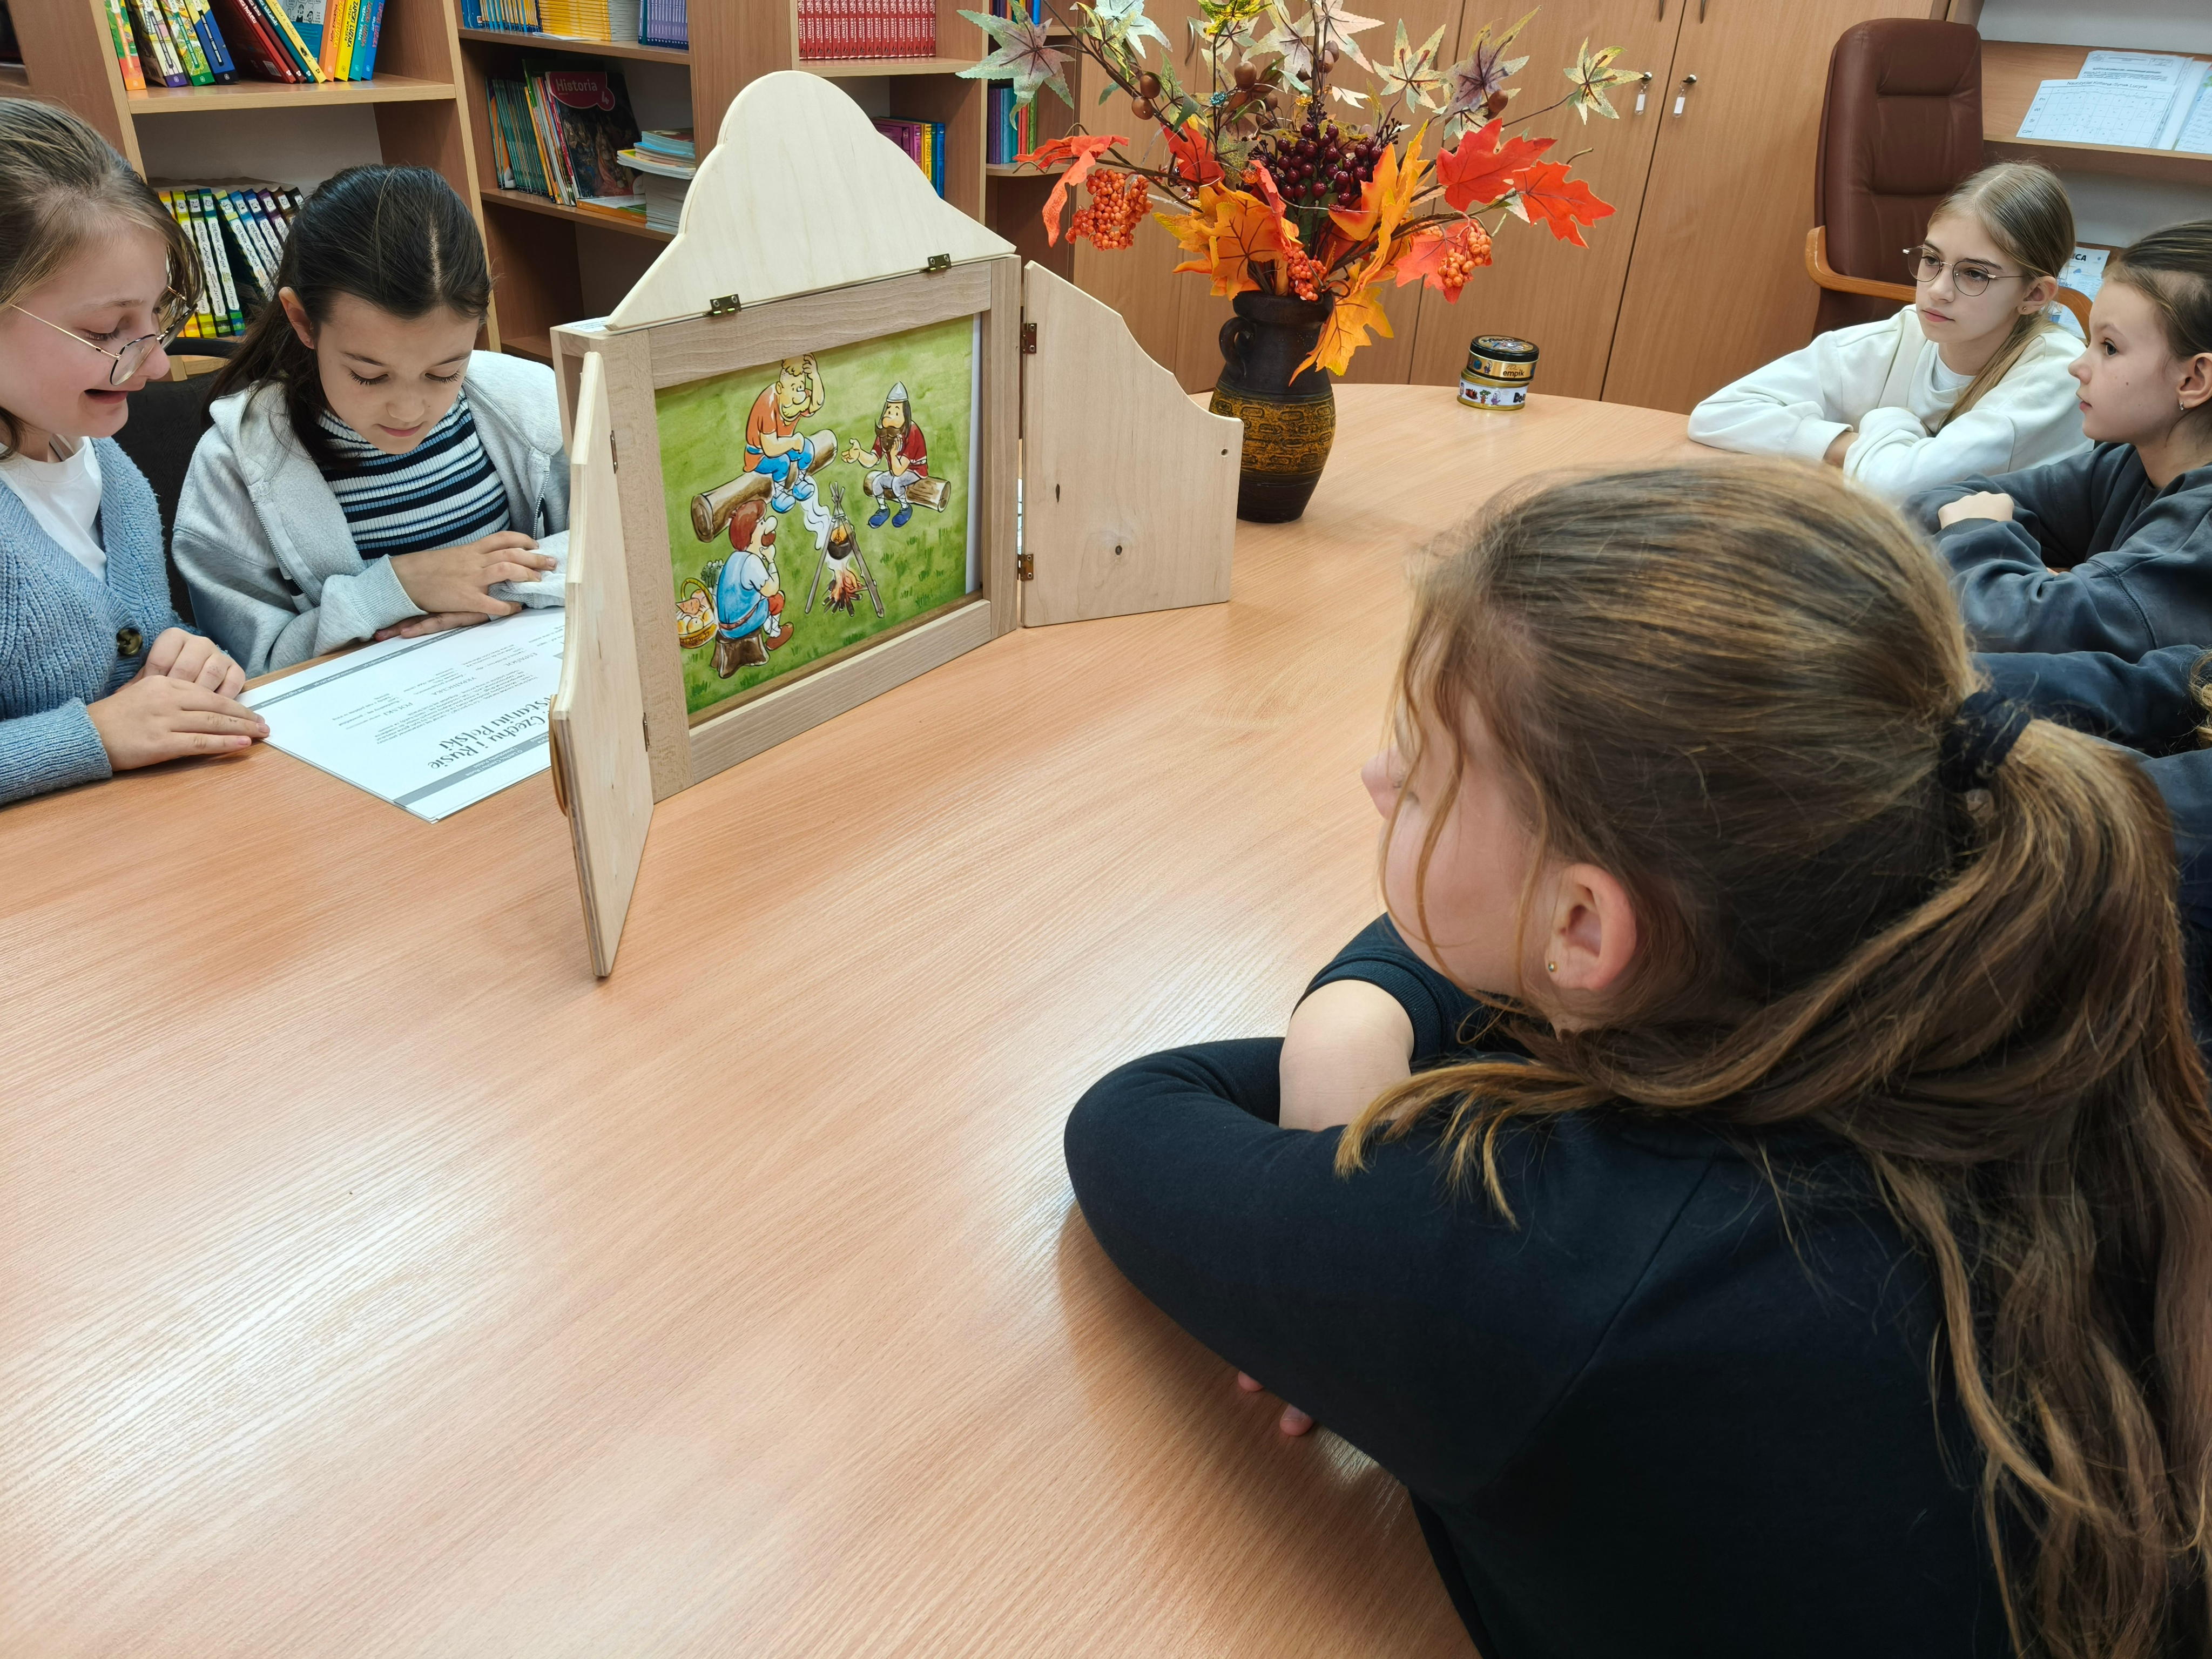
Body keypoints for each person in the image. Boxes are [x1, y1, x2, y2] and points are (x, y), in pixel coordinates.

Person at [1063, 463, 2212, 1659]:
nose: (1374, 777)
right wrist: (1364, 1010)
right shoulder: (1990, 1004)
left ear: (1584, 931)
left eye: (1420, 775)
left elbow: (1132, 1119)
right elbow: (1550, 990)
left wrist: (1346, 1157)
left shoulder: (1558, 1263)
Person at [175, 166, 570, 677]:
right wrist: (397, 589)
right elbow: (254, 667)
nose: (410, 411)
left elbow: (619, 547)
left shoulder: (532, 406)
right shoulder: (233, 469)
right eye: (369, 376)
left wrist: (492, 584)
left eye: (444, 372)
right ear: (302, 320)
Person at [0, 97, 261, 808]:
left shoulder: (95, 455)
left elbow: (133, 646)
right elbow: (105, 716)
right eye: (109, 330)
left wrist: (187, 657)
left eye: (156, 316)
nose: (151, 370)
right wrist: (91, 736)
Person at [1687, 163, 2086, 501]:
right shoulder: (1904, 332)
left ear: (2034, 294)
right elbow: (1716, 416)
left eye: (1975, 274)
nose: (1938, 291)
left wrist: (1890, 420)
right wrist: (1844, 446)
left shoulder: (2057, 372)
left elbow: (1894, 486)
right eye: (1932, 260)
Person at [1910, 220, 2212, 656]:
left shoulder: (2200, 534)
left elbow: (2009, 628)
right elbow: (1935, 502)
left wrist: (1982, 538)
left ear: (2194, 378)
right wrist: (2032, 584)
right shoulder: (2126, 463)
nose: (2078, 366)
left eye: (2109, 348)